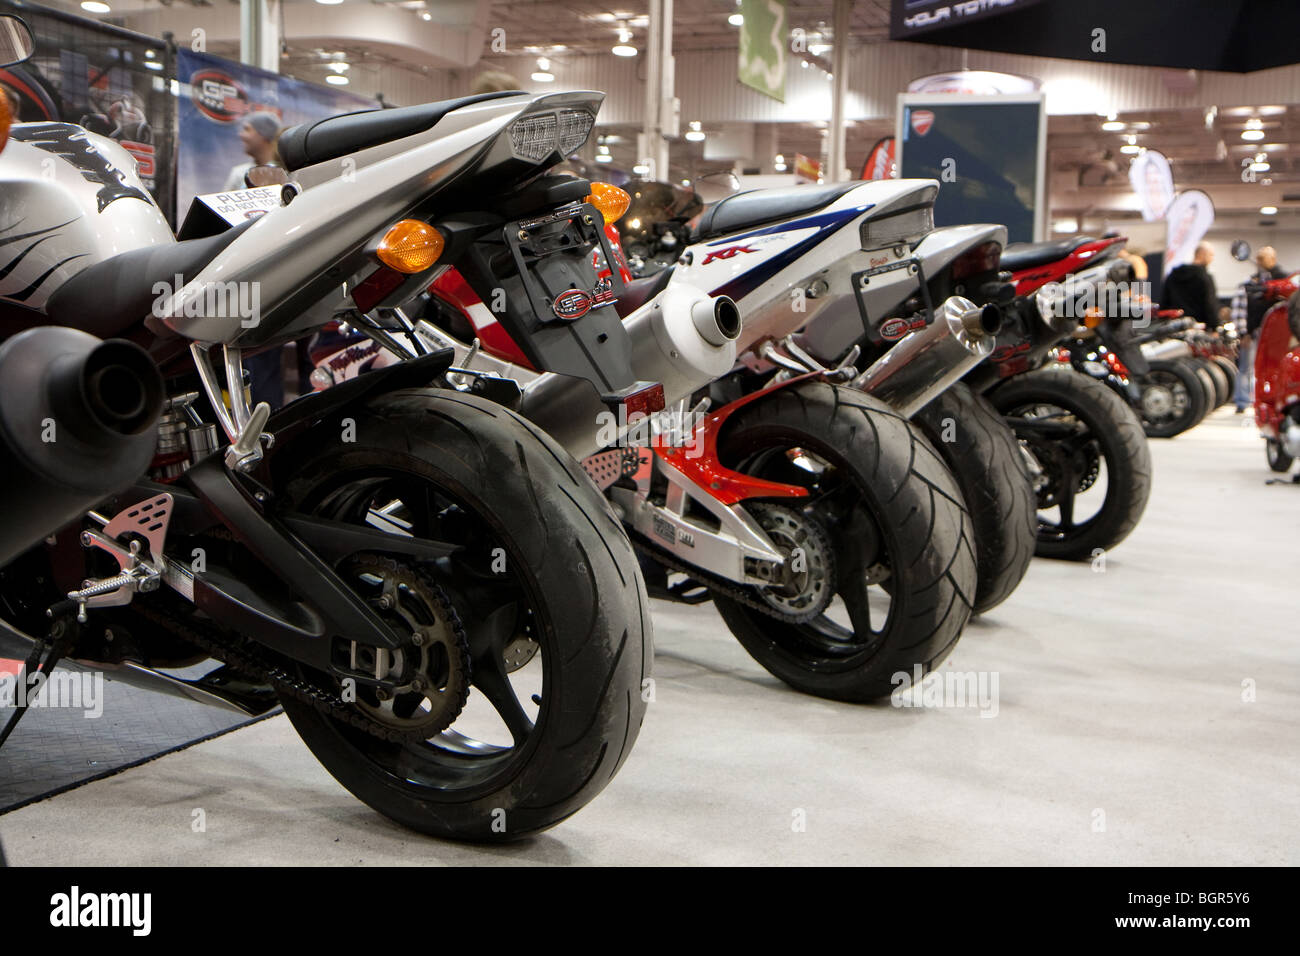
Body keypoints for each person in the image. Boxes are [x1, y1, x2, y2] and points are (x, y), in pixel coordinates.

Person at [1235, 246, 1289, 412]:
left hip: (1278, 335)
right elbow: (1242, 310)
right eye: (1259, 258)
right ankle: (1244, 401)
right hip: (1254, 332)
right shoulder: (1251, 284)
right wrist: (1244, 332)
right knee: (1247, 367)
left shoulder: (1283, 280)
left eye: (1263, 258)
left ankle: (1275, 399)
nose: (1260, 261)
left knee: (1276, 366)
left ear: (1273, 259)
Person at [1162, 241, 1218, 326]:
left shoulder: (1173, 275)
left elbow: (1164, 301)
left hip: (1173, 325)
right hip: (1198, 327)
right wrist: (1214, 326)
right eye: (1211, 255)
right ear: (1201, 254)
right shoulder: (1205, 277)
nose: (1212, 259)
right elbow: (1209, 304)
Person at [221, 112, 281, 191]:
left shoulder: (284, 174)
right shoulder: (239, 174)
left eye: (247, 129)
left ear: (263, 134)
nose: (241, 135)